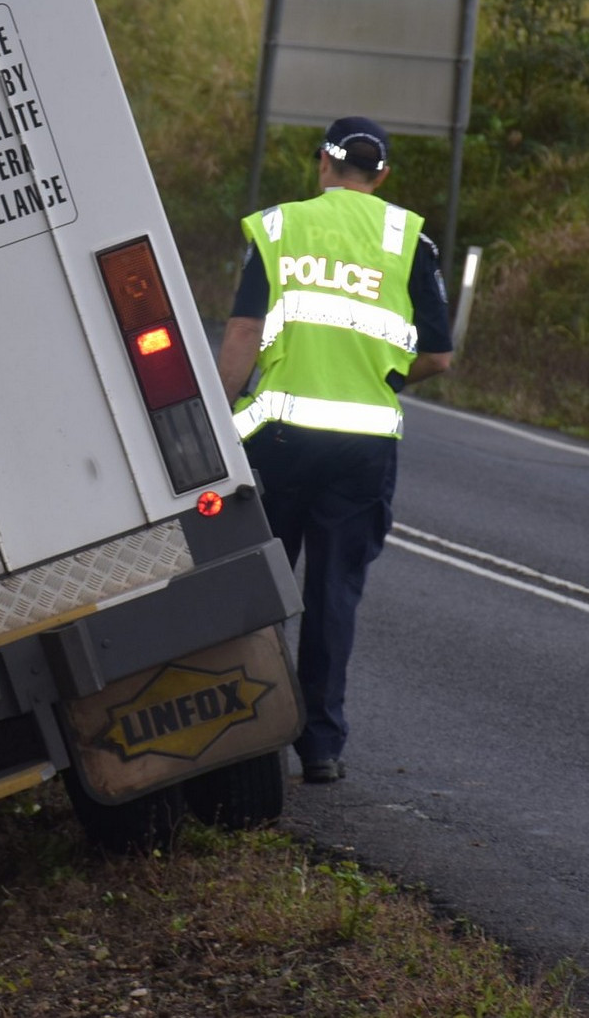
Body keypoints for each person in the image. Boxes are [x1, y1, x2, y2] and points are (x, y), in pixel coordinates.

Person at [216, 116, 452, 784]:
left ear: (324, 162)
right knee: (333, 595)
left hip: (280, 440)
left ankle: (244, 737)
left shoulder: (281, 226)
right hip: (362, 448)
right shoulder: (408, 238)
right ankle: (320, 746)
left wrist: (217, 413)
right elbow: (437, 353)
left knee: (259, 586)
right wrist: (383, 376)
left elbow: (242, 332)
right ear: (381, 175)